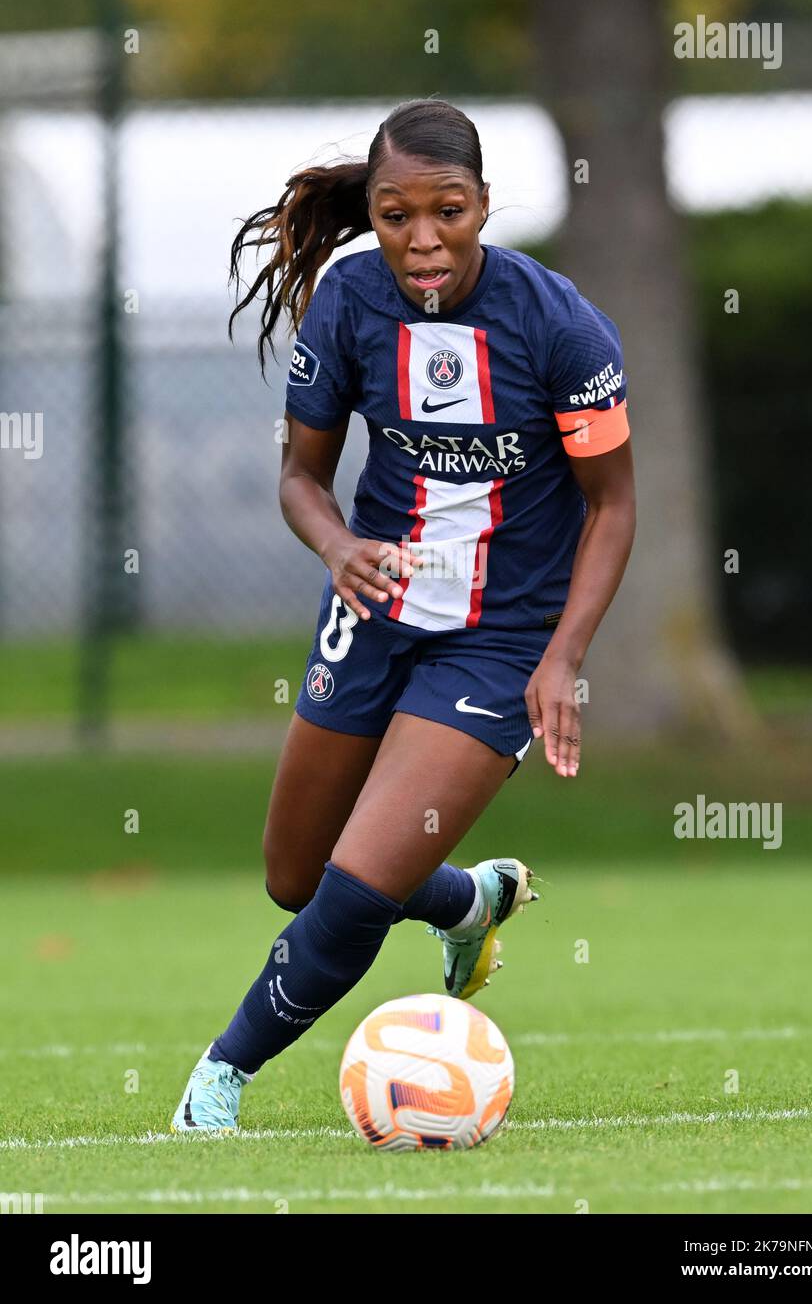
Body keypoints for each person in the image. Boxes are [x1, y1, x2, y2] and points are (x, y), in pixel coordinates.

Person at [171, 97, 635, 1133]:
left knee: (348, 889)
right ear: (371, 216)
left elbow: (612, 505)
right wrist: (339, 548)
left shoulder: (557, 326)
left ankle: (218, 1079)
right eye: (394, 215)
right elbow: (299, 476)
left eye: (448, 210)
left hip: (496, 636)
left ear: (482, 207)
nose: (422, 239)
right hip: (374, 611)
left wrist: (561, 658)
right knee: (295, 876)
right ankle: (464, 900)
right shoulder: (346, 303)